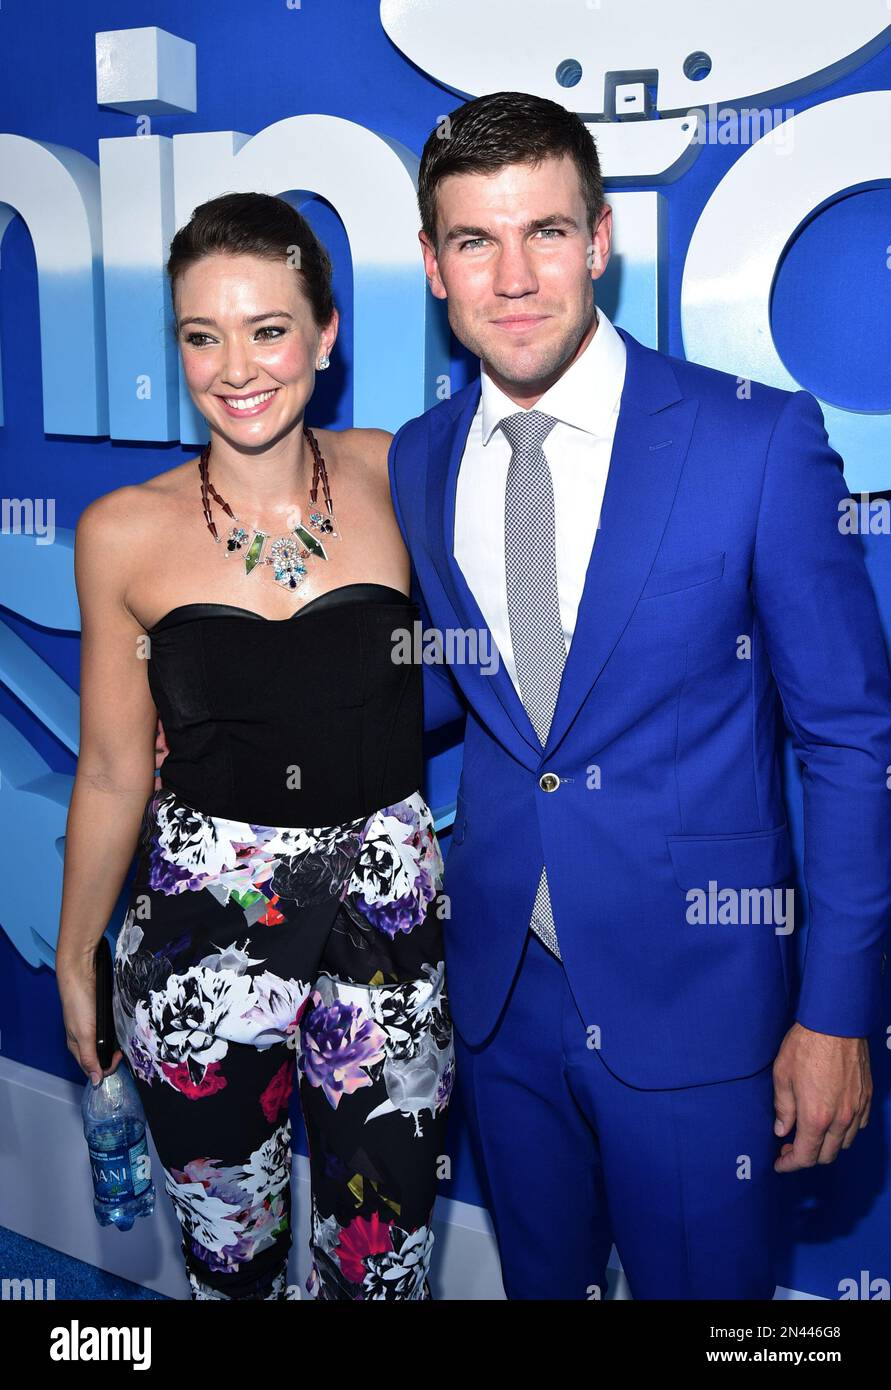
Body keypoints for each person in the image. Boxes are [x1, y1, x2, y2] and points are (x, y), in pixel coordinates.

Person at [388, 90, 891, 1299]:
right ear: (432, 263)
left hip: (702, 1000)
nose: (513, 276)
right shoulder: (420, 454)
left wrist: (837, 1014)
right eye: (474, 241)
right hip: (501, 993)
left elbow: (850, 740)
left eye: (546, 233)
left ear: (601, 240)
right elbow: (470, 690)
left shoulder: (755, 442)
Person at [55, 191, 454, 1301]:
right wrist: (76, 960)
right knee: (230, 1263)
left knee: (386, 1262)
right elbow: (112, 767)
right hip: (198, 951)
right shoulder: (120, 531)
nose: (235, 366)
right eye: (201, 334)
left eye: (268, 328)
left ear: (326, 336)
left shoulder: (402, 474)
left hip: (390, 931)